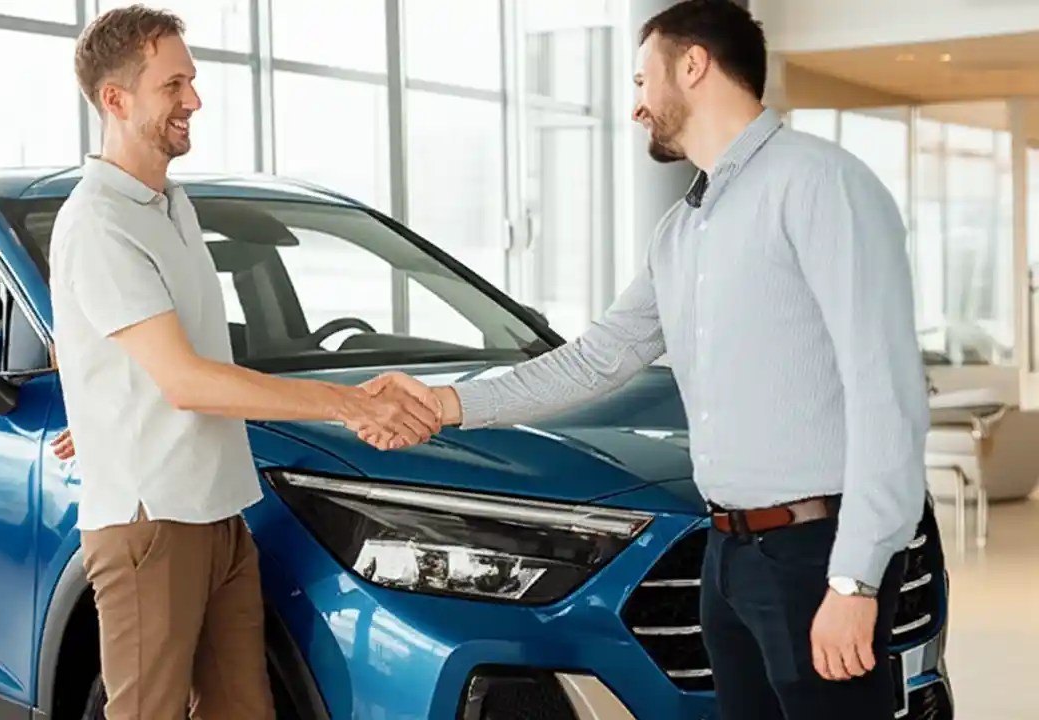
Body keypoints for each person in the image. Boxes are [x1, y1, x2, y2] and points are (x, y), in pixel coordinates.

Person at [366, 1, 931, 718]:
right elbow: (598, 359)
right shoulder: (683, 228)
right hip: (725, 554)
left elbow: (888, 391)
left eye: (641, 81)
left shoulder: (819, 184)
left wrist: (855, 582)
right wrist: (446, 405)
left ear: (692, 65)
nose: (635, 107)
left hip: (815, 554)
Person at [50, 6, 440, 719]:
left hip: (220, 510)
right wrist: (348, 402)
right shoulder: (98, 222)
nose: (194, 99)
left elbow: (102, 339)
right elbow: (186, 380)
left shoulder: (170, 203)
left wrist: (97, 400)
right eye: (174, 84)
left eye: (192, 81)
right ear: (116, 99)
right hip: (153, 522)